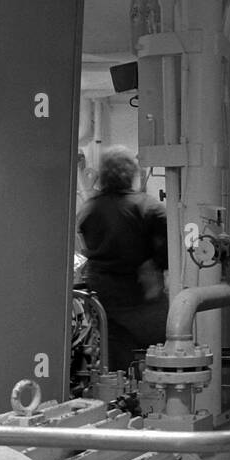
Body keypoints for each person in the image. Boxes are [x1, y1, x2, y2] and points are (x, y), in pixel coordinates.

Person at [76, 146, 169, 372]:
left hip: (104, 300)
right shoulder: (148, 208)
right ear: (131, 173)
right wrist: (155, 266)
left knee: (116, 363)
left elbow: (87, 243)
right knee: (165, 353)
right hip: (142, 298)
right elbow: (169, 249)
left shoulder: (90, 209)